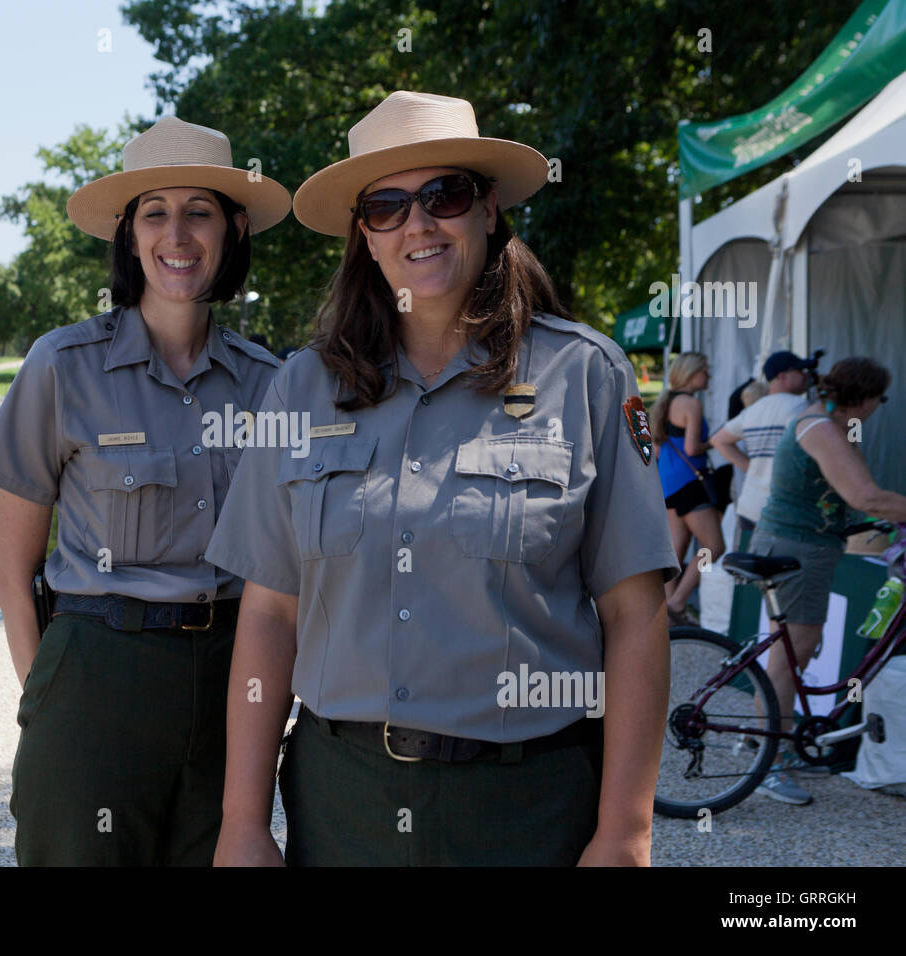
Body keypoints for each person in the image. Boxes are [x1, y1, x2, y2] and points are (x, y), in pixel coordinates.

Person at [205, 91, 679, 866]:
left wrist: (626, 832)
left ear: (489, 209)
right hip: (344, 804)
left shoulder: (586, 374)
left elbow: (635, 614)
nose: (418, 224)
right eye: (386, 206)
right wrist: (242, 822)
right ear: (365, 235)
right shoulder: (301, 389)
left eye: (444, 195)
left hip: (527, 807)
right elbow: (267, 617)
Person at [0, 116, 290, 865]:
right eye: (154, 213)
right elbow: (12, 572)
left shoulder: (272, 387)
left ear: (234, 229)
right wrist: (49, 706)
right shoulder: (61, 366)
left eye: (199, 212)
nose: (176, 234)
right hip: (94, 676)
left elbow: (283, 577)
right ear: (129, 234)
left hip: (231, 683)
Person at [746, 357, 906, 805]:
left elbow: (853, 485)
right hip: (798, 550)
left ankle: (769, 740)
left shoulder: (828, 421)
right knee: (788, 660)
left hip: (797, 544)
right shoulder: (822, 428)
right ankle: (770, 763)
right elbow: (866, 496)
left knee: (791, 653)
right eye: (879, 400)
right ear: (866, 397)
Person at [710, 350, 815, 545]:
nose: (806, 375)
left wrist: (751, 468)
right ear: (782, 377)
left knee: (752, 561)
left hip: (750, 507)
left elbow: (718, 440)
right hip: (785, 509)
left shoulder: (754, 409)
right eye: (800, 371)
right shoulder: (800, 406)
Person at [651, 351, 725, 624]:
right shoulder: (691, 404)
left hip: (668, 484)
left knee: (675, 551)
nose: (709, 375)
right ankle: (679, 601)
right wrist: (714, 441)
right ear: (692, 373)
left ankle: (667, 614)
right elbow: (693, 448)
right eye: (705, 370)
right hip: (689, 482)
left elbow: (657, 449)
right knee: (713, 546)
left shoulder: (665, 403)